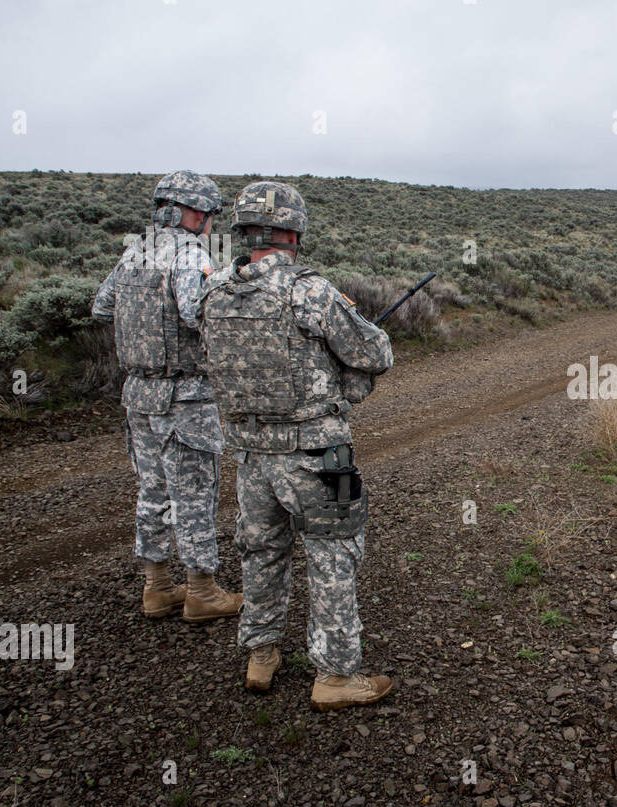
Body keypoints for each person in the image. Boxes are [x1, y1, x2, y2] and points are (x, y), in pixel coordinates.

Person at [198, 180, 394, 710]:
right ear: (293, 230)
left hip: (249, 455)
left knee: (261, 550)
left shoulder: (213, 292)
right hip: (322, 454)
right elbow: (374, 355)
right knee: (334, 552)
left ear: (242, 229)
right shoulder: (310, 291)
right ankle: (335, 676)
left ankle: (261, 653)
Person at [92, 170, 242, 622]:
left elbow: (101, 306)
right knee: (194, 492)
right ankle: (202, 592)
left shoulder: (134, 253)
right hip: (186, 395)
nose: (211, 222)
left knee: (153, 490)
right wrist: (228, 281)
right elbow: (197, 311)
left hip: (137, 391)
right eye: (209, 213)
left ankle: (156, 588)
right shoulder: (190, 253)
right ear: (191, 212)